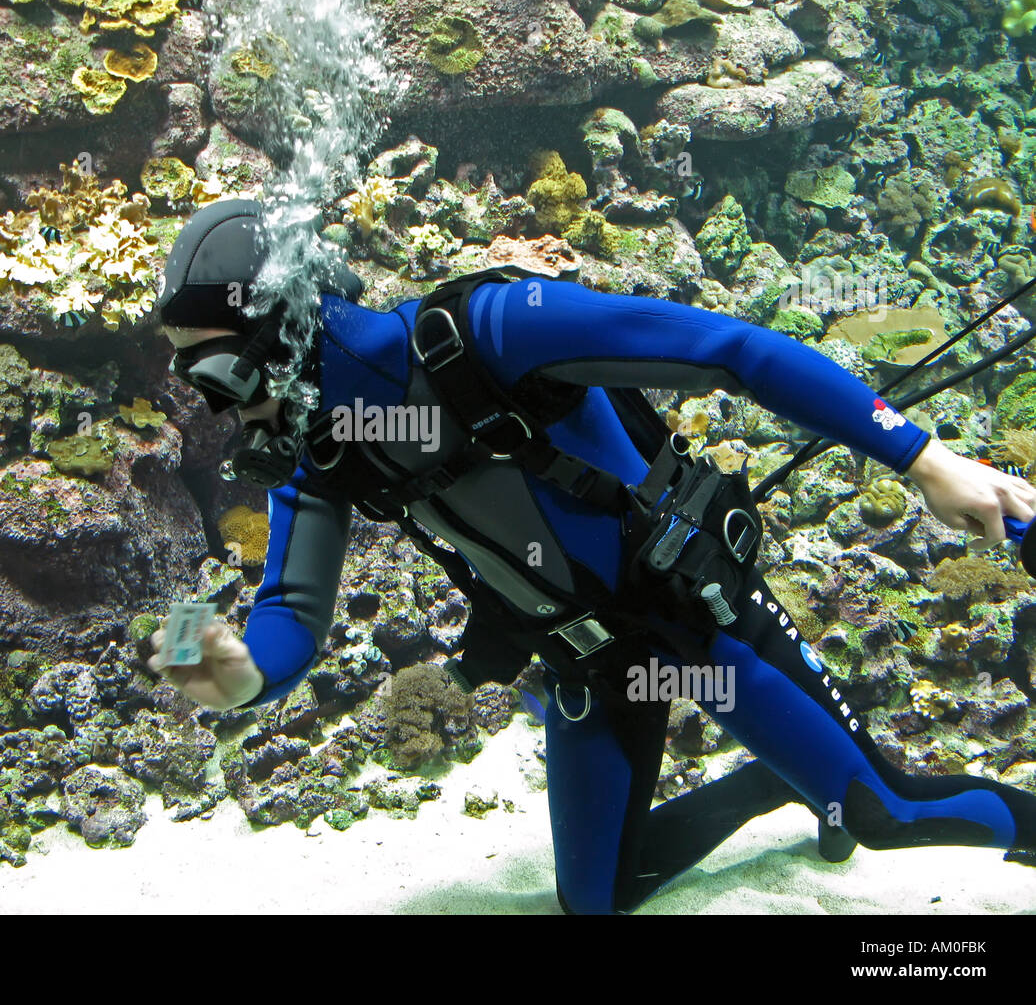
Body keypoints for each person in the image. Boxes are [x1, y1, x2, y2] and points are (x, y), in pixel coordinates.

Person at [151, 198, 1036, 914]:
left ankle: (831, 779)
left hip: (700, 625)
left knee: (888, 814)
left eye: (216, 378)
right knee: (593, 903)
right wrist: (240, 677)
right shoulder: (325, 450)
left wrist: (924, 459)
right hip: (590, 668)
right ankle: (779, 782)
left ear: (284, 330)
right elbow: (290, 618)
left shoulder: (487, 329)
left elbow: (733, 350)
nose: (220, 412)